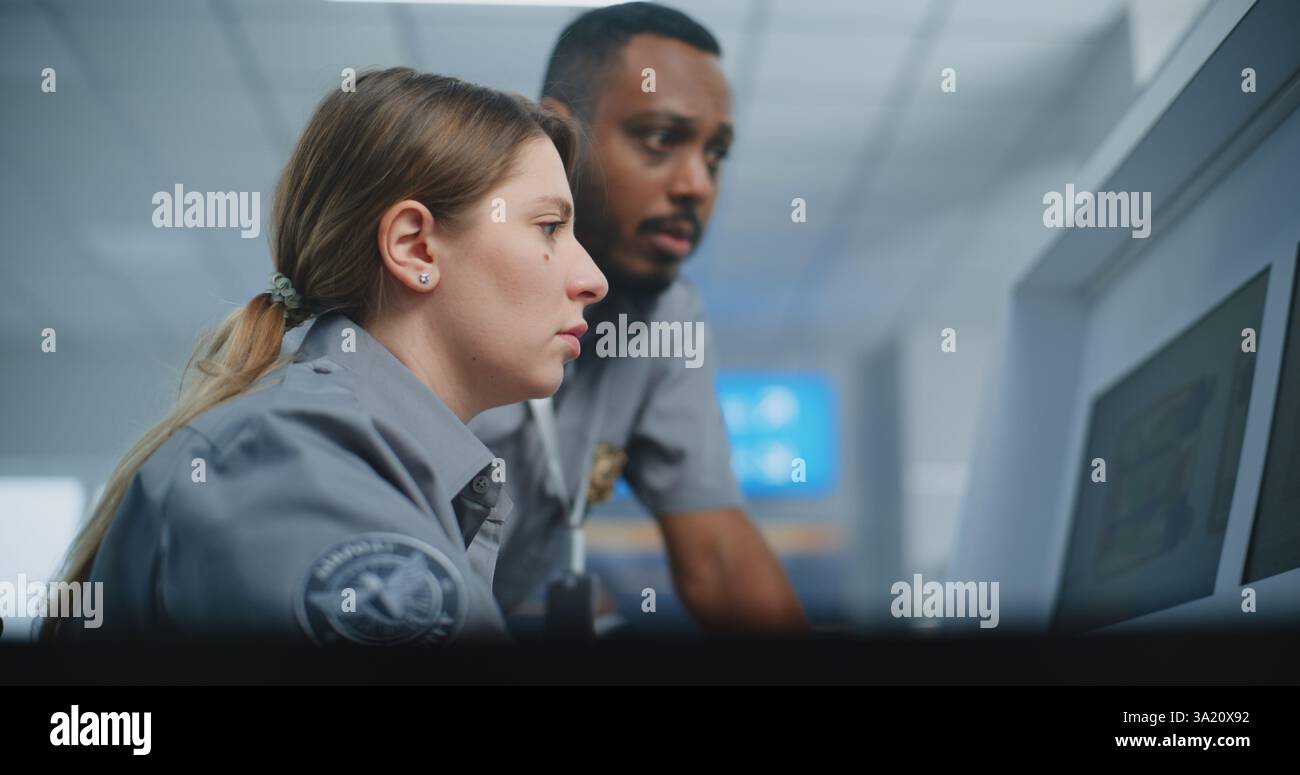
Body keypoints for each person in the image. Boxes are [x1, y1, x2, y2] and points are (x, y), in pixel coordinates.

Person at [42, 67, 607, 645]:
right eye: (548, 227)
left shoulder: (321, 459)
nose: (593, 279)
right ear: (415, 247)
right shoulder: (289, 470)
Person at [469, 3, 810, 635]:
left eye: (715, 155)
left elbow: (716, 552)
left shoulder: (666, 317)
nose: (697, 184)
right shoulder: (458, 274)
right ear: (559, 139)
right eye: (660, 139)